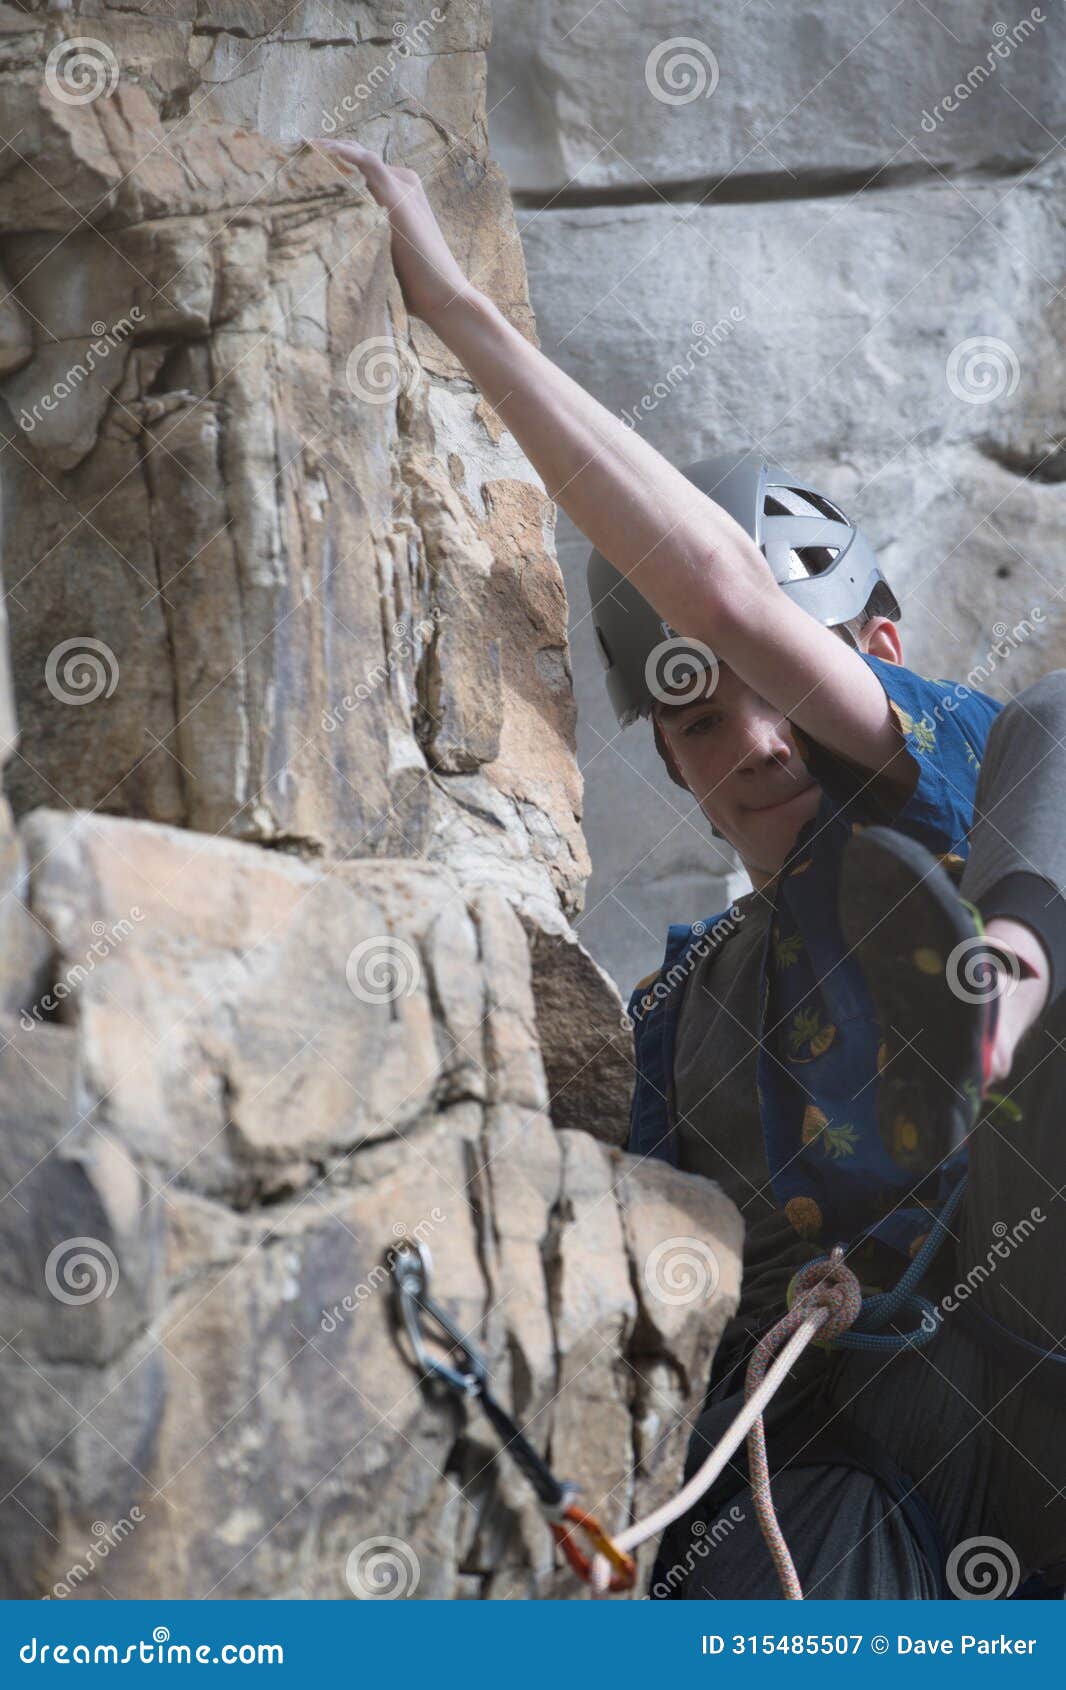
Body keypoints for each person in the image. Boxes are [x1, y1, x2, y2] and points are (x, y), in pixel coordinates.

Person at [307, 137, 1066, 1599]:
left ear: (881, 659)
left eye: (785, 683)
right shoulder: (687, 1018)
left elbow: (714, 588)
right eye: (701, 716)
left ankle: (1016, 976)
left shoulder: (957, 783)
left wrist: (458, 310)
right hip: (879, 1484)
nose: (758, 741)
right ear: (666, 759)